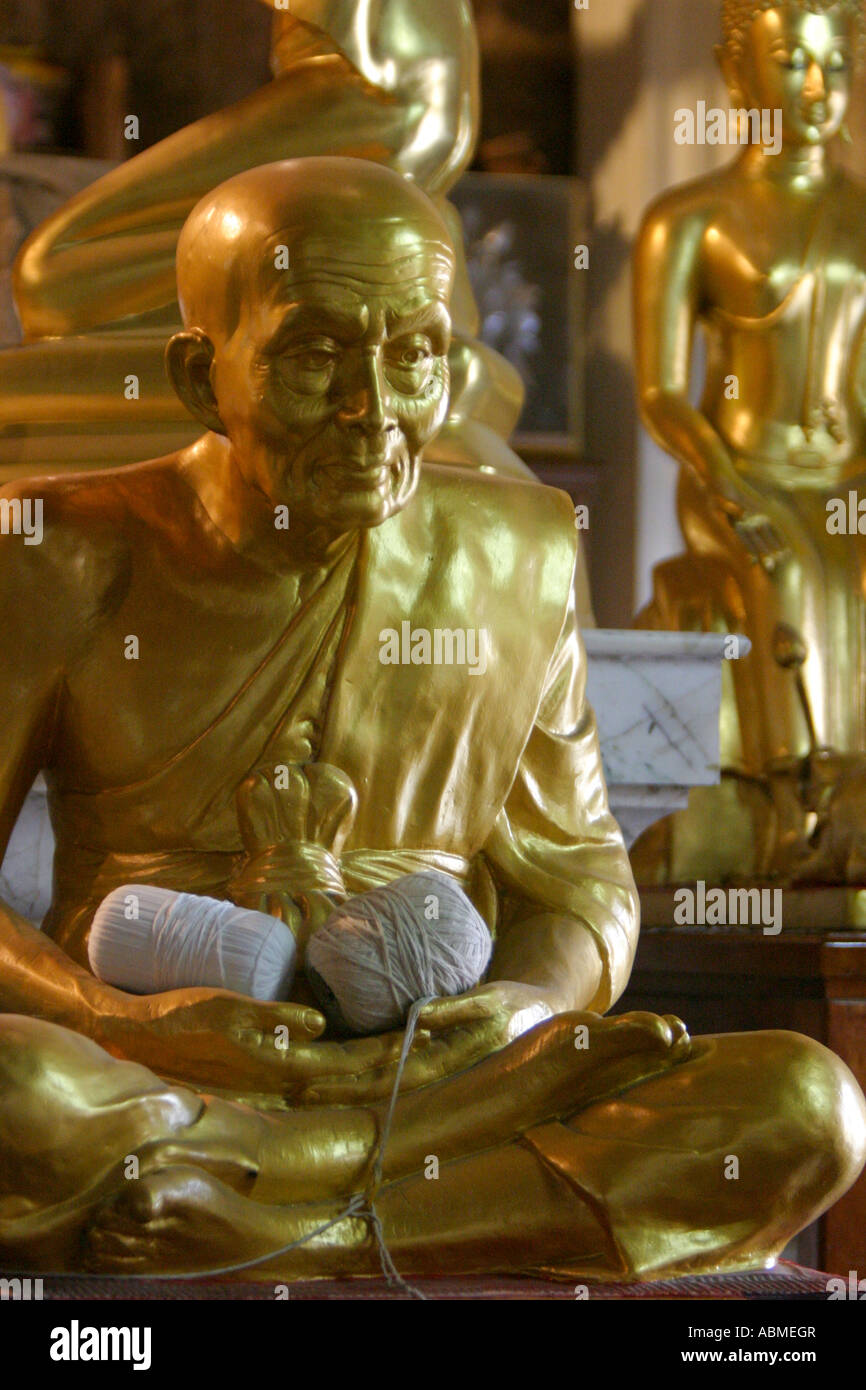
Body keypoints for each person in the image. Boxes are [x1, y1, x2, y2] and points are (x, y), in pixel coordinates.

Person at [0, 158, 863, 1279]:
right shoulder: (62, 551)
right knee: (23, 1094)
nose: (372, 411)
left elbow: (579, 882)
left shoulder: (517, 552)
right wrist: (121, 1022)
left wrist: (519, 1006)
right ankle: (370, 1201)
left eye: (412, 354)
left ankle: (300, 1224)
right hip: (166, 1074)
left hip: (439, 1087)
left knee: (805, 1103)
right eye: (314, 355)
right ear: (197, 376)